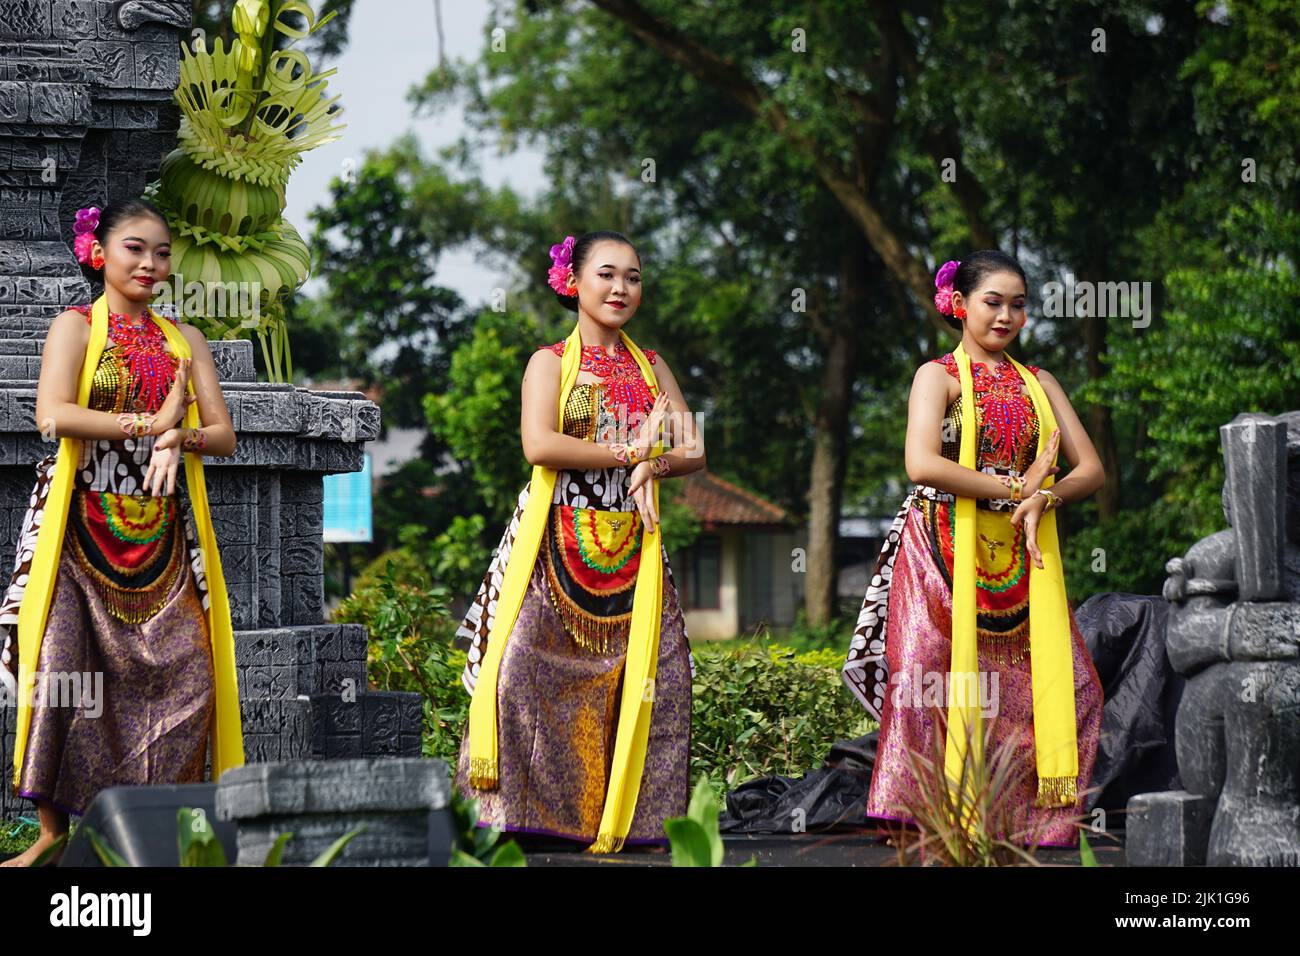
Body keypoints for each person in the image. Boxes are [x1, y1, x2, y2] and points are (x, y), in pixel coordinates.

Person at [0, 198, 243, 866]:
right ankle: (51, 834)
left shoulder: (183, 341)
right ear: (98, 252)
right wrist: (145, 424)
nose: (151, 263)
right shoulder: (75, 328)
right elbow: (53, 414)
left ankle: (152, 830)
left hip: (161, 536)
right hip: (78, 530)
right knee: (58, 669)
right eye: (136, 248)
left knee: (191, 678)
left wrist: (180, 434)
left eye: (162, 253)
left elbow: (221, 435)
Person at [453, 231, 706, 853]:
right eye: (607, 274)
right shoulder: (550, 363)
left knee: (657, 680)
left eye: (634, 277)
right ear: (573, 281)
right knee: (517, 669)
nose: (622, 288)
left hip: (635, 546)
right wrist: (630, 452)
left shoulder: (653, 366)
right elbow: (539, 445)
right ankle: (510, 820)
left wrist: (656, 467)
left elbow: (694, 448)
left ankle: (628, 821)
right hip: (551, 541)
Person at [842, 250, 1104, 848]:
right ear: (959, 305)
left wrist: (1046, 498)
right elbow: (921, 463)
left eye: (1018, 304)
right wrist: (1017, 486)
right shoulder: (938, 376)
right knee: (929, 678)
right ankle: (925, 819)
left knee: (1070, 684)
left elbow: (1090, 468)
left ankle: (1024, 822)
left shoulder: (1040, 383)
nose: (1007, 315)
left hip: (1021, 552)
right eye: (993, 302)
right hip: (938, 545)